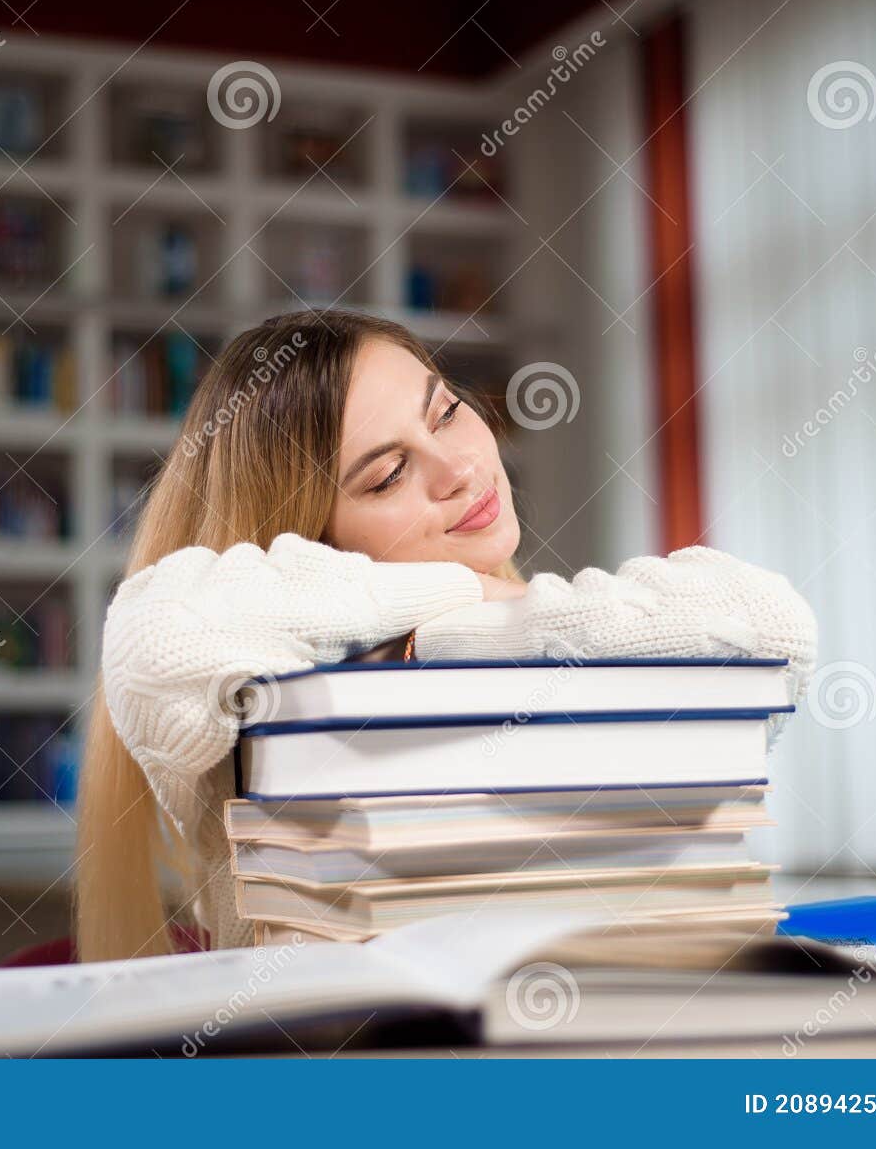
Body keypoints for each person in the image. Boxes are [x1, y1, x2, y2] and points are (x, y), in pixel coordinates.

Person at [77, 309, 817, 961]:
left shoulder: (554, 634)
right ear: (304, 538)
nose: (461, 468)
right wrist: (459, 596)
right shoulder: (254, 687)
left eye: (447, 412)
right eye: (389, 474)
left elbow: (774, 626)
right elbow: (159, 641)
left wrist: (489, 618)